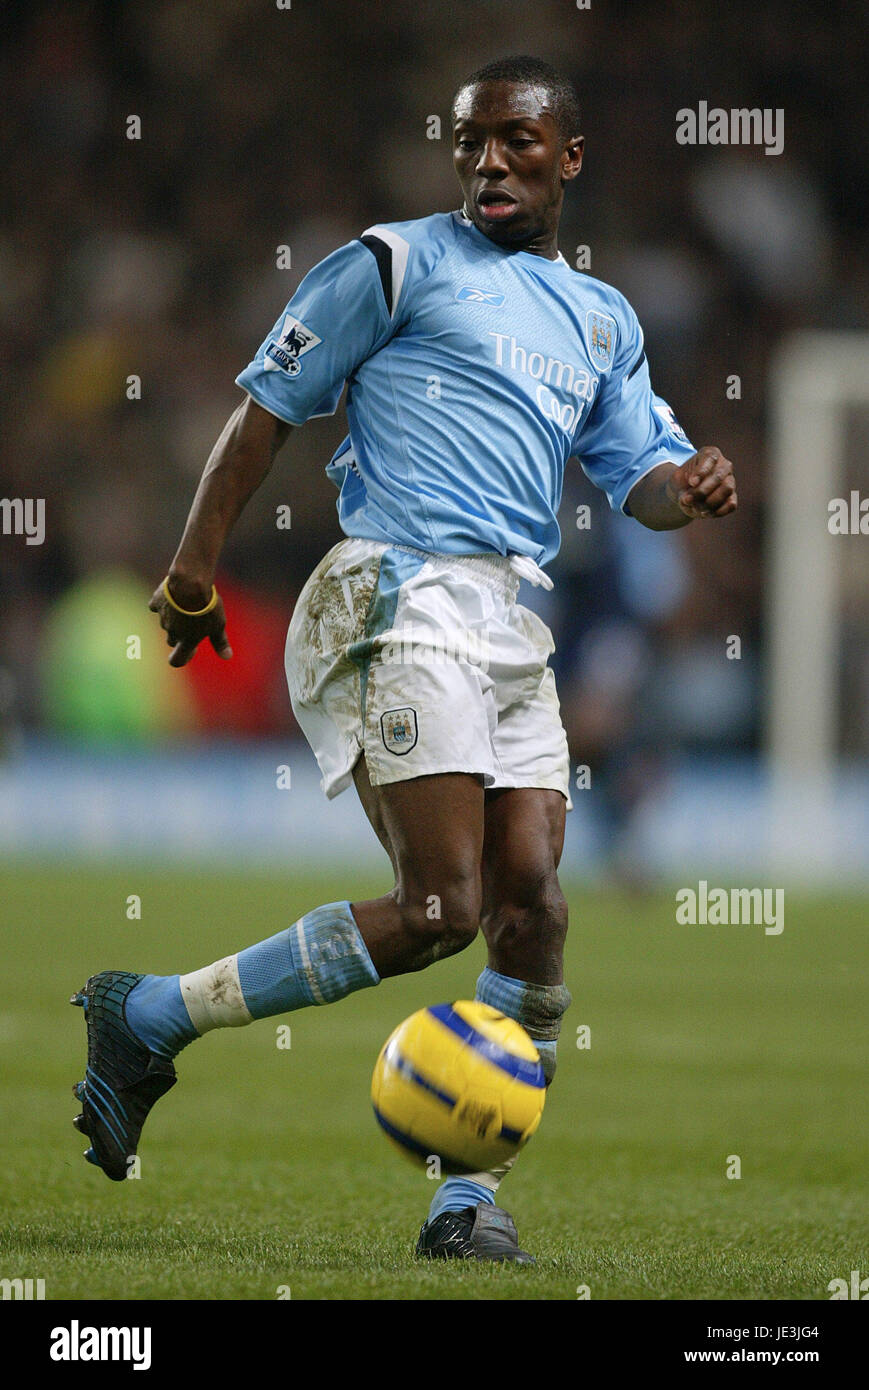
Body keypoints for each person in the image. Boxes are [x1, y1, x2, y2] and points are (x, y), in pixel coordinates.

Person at [69, 55, 737, 1264]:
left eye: (516, 142)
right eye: (471, 142)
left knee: (529, 911)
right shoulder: (391, 261)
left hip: (505, 619)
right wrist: (190, 573)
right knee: (443, 905)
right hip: (393, 589)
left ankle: (458, 1199)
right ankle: (152, 1013)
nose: (488, 161)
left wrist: (686, 489)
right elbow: (262, 408)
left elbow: (635, 481)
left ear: (566, 159)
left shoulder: (599, 319)